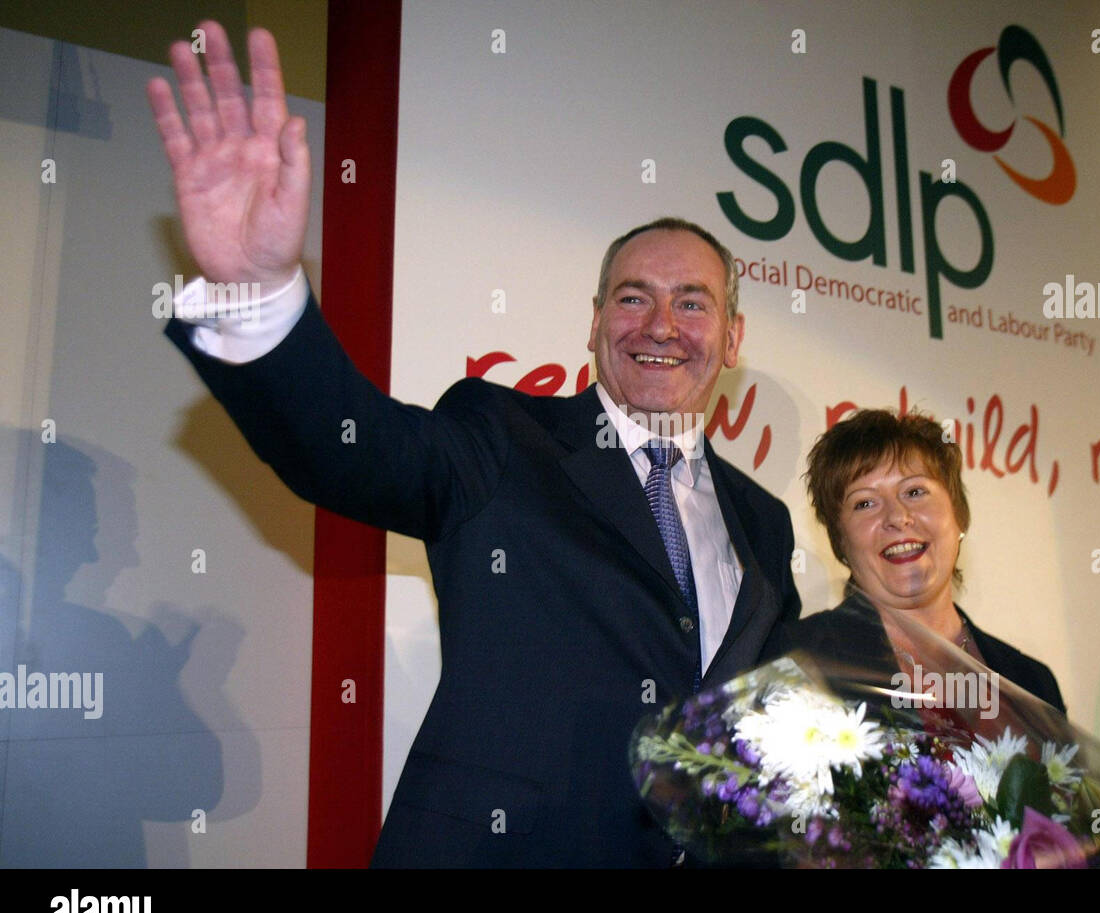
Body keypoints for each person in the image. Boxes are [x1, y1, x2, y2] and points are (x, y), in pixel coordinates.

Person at [147, 22, 800, 866]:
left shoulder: (767, 523)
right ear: (597, 322)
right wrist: (258, 292)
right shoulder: (503, 439)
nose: (662, 327)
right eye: (633, 299)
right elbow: (348, 446)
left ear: (733, 335)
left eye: (693, 303)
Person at [763, 407, 1066, 713]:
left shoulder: (1032, 684)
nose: (897, 517)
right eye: (865, 503)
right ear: (841, 540)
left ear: (958, 515)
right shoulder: (795, 662)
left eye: (915, 491)